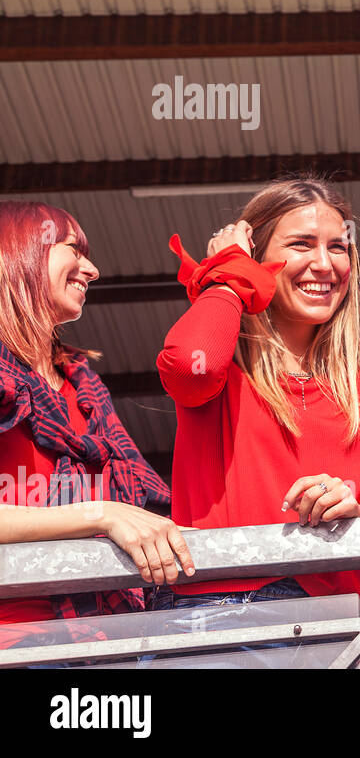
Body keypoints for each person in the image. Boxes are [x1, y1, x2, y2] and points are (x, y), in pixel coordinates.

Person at [153, 177, 360, 614]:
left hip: (342, 623)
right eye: (302, 245)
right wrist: (230, 273)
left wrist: (353, 511)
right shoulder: (224, 363)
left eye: (338, 247)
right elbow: (190, 365)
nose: (324, 264)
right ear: (256, 256)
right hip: (222, 611)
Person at [0, 201, 189, 649]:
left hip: (109, 642)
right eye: (74, 249)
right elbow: (111, 515)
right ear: (21, 251)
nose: (93, 269)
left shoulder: (82, 387)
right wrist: (102, 514)